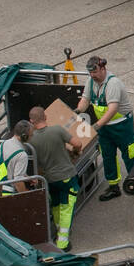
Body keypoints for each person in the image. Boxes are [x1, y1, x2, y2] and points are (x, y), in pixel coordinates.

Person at [76, 55, 134, 201]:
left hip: (121, 126)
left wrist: (97, 125)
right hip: (105, 127)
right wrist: (78, 111)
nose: (93, 75)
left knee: (131, 155)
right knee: (108, 156)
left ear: (103, 68)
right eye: (90, 73)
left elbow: (112, 110)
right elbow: (86, 99)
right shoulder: (91, 82)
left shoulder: (113, 84)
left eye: (95, 72)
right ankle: (113, 187)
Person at [28, 106, 83, 251]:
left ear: (31, 122)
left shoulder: (31, 140)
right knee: (66, 208)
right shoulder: (57, 130)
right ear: (45, 117)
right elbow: (77, 143)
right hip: (66, 177)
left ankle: (59, 232)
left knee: (56, 206)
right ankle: (63, 243)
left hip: (49, 180)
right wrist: (75, 153)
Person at [0, 120, 33, 193]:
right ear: (24, 136)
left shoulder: (4, 143)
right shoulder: (22, 155)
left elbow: (8, 167)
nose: (32, 137)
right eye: (31, 135)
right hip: (6, 190)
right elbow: (18, 181)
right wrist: (26, 196)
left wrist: (27, 178)